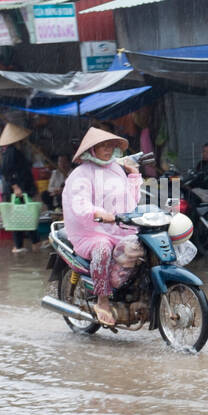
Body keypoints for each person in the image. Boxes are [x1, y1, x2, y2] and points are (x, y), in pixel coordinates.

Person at [62, 127, 144, 327]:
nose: (108, 150)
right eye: (102, 146)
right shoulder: (81, 173)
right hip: (90, 231)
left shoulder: (116, 169)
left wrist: (134, 176)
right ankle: (103, 300)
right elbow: (79, 202)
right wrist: (99, 214)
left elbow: (130, 201)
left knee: (144, 246)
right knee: (102, 249)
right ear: (92, 150)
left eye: (110, 146)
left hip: (118, 227)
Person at [0, 122, 38, 253]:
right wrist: (15, 187)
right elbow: (6, 171)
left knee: (26, 214)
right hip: (17, 190)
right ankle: (19, 245)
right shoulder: (11, 152)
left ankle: (34, 242)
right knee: (20, 216)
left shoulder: (16, 150)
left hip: (22, 187)